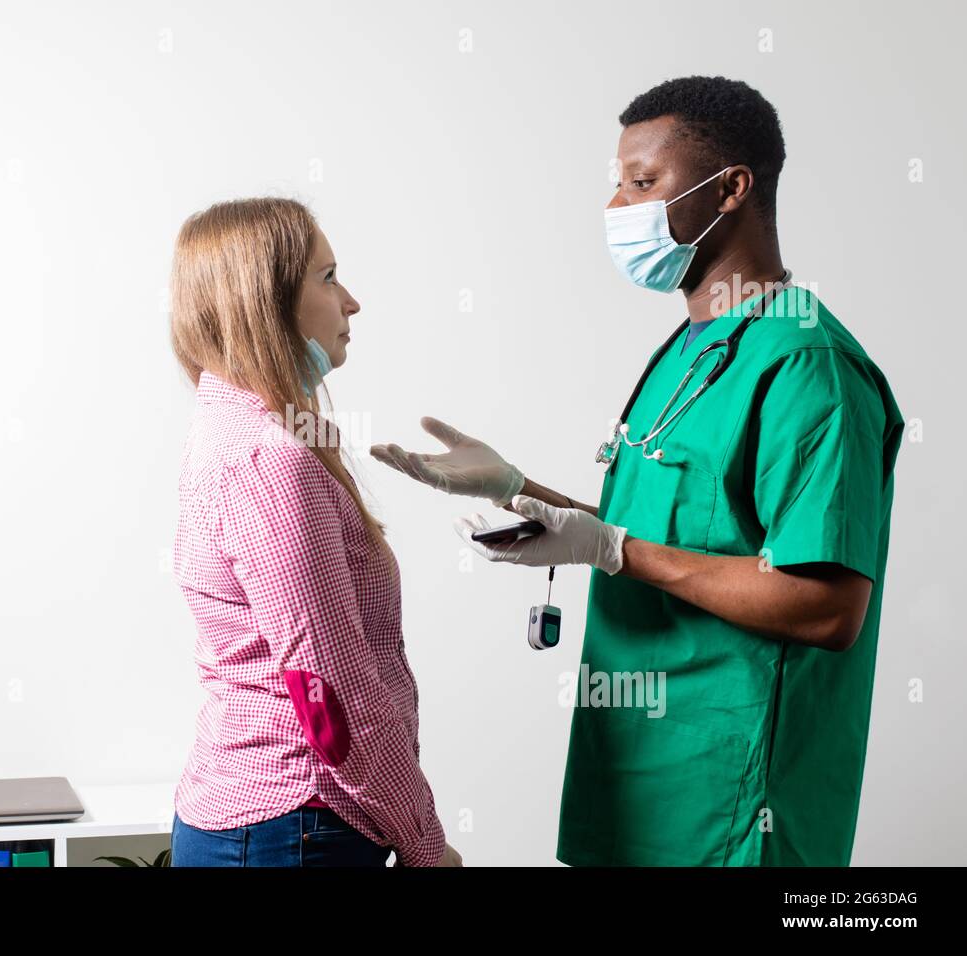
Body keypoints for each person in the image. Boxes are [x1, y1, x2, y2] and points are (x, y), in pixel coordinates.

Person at [372, 76, 904, 866]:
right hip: (632, 780)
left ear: (730, 189)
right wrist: (517, 488)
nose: (619, 208)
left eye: (643, 183)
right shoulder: (686, 352)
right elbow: (663, 531)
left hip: (729, 800)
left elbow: (826, 607)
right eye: (617, 184)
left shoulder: (806, 366)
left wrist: (611, 551)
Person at [167, 197, 461, 867]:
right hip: (294, 825)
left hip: (264, 823)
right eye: (328, 278)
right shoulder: (271, 459)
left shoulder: (229, 428)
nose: (351, 302)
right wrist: (424, 844)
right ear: (264, 300)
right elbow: (327, 688)